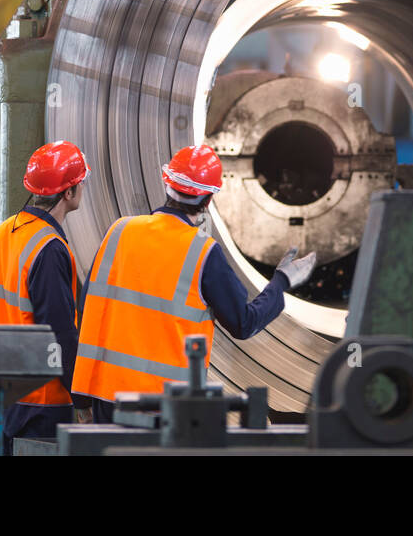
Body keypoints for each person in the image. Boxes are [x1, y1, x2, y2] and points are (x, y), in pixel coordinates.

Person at [72, 144, 316, 422]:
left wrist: (80, 397)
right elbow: (244, 323)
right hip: (164, 408)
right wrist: (282, 281)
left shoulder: (119, 231)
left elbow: (88, 311)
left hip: (106, 396)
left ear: (167, 184)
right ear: (208, 200)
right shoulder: (203, 252)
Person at [0, 140, 88, 454]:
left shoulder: (1, 233)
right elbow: (59, 334)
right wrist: (82, 400)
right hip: (39, 402)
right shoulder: (49, 247)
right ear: (69, 192)